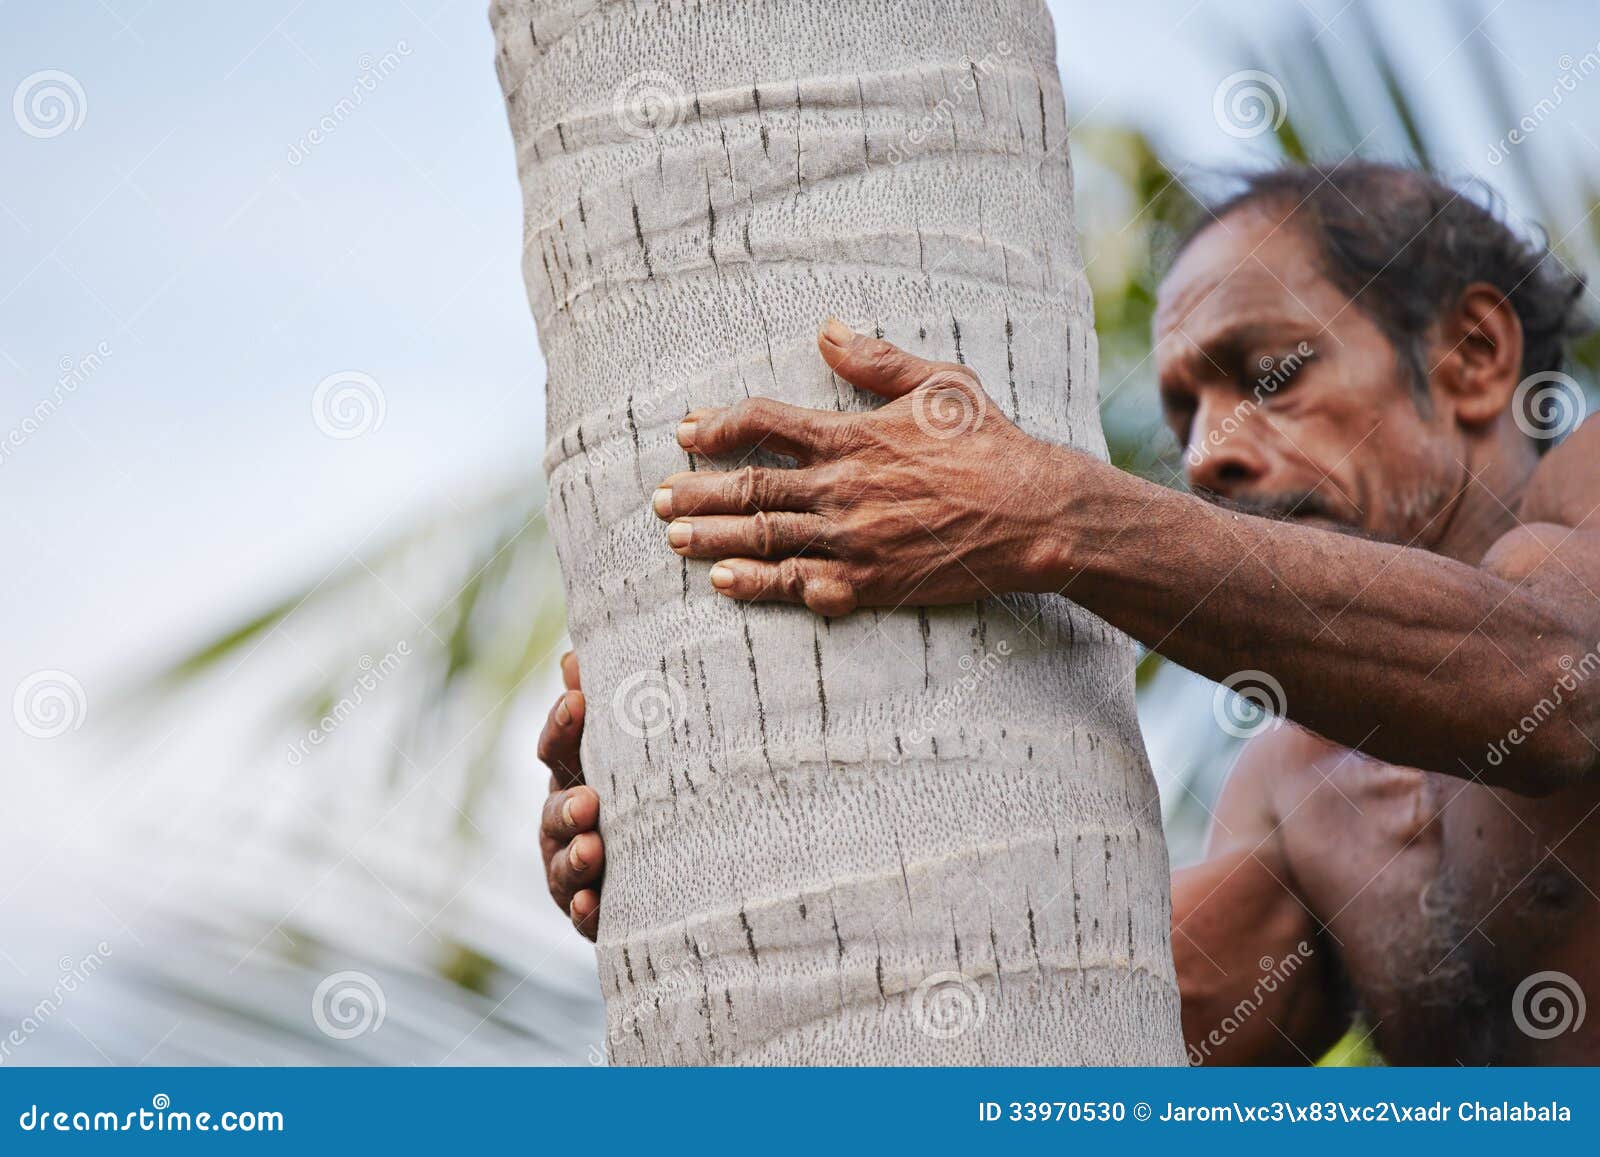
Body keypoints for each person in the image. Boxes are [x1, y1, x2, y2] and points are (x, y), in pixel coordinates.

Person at [538, 161, 1600, 1064]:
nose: (1204, 454)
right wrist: (699, 848)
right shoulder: (1296, 785)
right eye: (1182, 410)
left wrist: (1055, 514)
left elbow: (1555, 678)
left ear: (1470, 354)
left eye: (1267, 373)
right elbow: (1064, 1043)